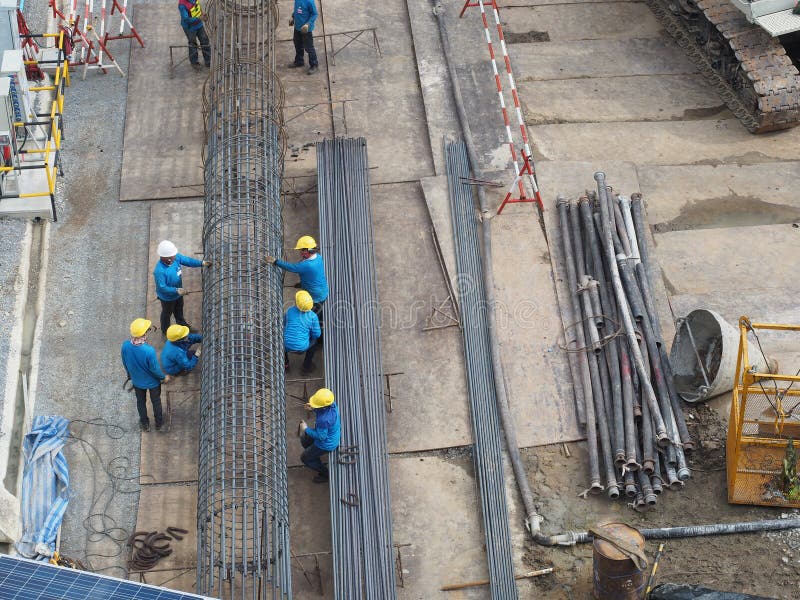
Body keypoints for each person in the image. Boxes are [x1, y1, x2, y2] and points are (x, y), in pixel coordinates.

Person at [265, 235, 328, 330]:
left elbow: (292, 267)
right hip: (321, 290)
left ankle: (318, 333)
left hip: (316, 296)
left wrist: (275, 261)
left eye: (302, 250)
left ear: (308, 251)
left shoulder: (307, 265)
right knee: (318, 311)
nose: (300, 252)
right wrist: (302, 284)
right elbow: (311, 276)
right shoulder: (318, 257)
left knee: (313, 315)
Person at [121, 318, 171, 432]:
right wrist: (164, 377)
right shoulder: (149, 351)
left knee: (141, 402)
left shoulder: (125, 346)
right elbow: (155, 369)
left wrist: (129, 375)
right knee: (156, 402)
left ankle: (145, 424)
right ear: (144, 333)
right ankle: (159, 424)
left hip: (137, 381)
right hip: (153, 383)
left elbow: (125, 362)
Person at [153, 240, 210, 337]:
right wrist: (176, 290)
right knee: (167, 313)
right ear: (166, 257)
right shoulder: (159, 271)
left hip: (178, 294)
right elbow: (162, 287)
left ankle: (183, 326)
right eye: (172, 256)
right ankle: (165, 330)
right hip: (167, 298)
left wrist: (201, 263)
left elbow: (187, 261)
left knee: (179, 310)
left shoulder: (175, 258)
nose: (175, 256)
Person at [298, 388, 340, 483]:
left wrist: (305, 428)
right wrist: (313, 408)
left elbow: (321, 437)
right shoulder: (332, 404)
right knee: (304, 439)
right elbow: (322, 410)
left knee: (305, 458)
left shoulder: (323, 420)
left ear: (323, 407)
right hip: (330, 435)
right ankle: (314, 455)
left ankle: (325, 474)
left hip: (326, 444)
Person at [284, 290, 321, 375]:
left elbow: (284, 324)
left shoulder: (290, 311)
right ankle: (306, 367)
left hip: (286, 345)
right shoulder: (313, 316)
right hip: (302, 347)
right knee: (314, 345)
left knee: (282, 343)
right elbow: (317, 334)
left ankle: (285, 364)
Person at [288, 0, 318, 75]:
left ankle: (314, 65)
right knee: (297, 44)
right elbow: (297, 9)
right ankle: (299, 61)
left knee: (309, 47)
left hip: (306, 29)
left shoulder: (309, 2)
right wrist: (293, 17)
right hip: (297, 27)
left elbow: (314, 14)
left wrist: (308, 24)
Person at [179, 0, 211, 70]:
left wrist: (202, 14)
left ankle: (208, 60)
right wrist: (199, 18)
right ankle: (194, 62)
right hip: (190, 28)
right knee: (193, 44)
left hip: (199, 24)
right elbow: (186, 19)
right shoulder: (182, 5)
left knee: (205, 40)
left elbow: (197, 5)